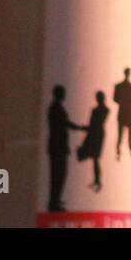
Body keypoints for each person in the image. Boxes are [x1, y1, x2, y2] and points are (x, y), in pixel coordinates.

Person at [45, 84, 87, 212]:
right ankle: (54, 203)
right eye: (63, 93)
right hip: (58, 147)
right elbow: (65, 124)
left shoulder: (56, 108)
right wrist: (80, 128)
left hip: (58, 146)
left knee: (58, 175)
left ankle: (55, 201)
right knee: (58, 175)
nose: (64, 95)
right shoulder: (56, 109)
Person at [75, 91, 110, 192]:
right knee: (95, 159)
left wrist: (84, 128)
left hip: (96, 134)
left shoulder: (99, 110)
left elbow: (93, 123)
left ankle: (97, 181)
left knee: (95, 158)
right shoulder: (104, 110)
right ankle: (97, 180)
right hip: (97, 133)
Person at [113, 67, 131, 160]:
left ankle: (119, 152)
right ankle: (129, 152)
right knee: (127, 135)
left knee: (121, 135)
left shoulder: (119, 86)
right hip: (128, 113)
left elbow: (115, 99)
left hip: (123, 113)